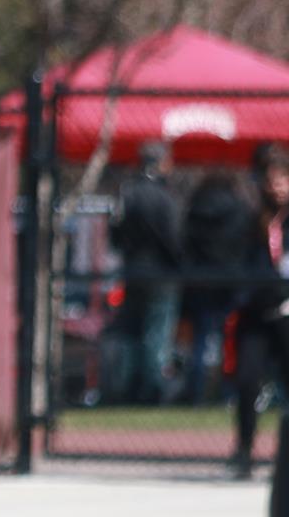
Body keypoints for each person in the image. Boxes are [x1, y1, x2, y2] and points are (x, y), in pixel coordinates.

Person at [108, 141, 186, 405]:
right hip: (161, 274)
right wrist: (180, 265)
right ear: (163, 162)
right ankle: (154, 392)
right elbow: (173, 239)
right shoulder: (165, 196)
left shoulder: (127, 192)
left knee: (132, 331)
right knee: (157, 333)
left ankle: (128, 388)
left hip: (133, 271)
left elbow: (115, 235)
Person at [231, 142, 289, 475]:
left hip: (286, 311)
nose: (277, 186)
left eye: (283, 179)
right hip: (257, 311)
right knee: (248, 380)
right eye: (272, 180)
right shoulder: (253, 218)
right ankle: (243, 450)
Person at [179, 169, 257, 407]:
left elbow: (185, 244)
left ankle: (197, 392)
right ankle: (227, 391)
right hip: (230, 281)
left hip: (201, 280)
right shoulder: (240, 208)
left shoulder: (195, 209)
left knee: (201, 340)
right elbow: (246, 243)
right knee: (229, 339)